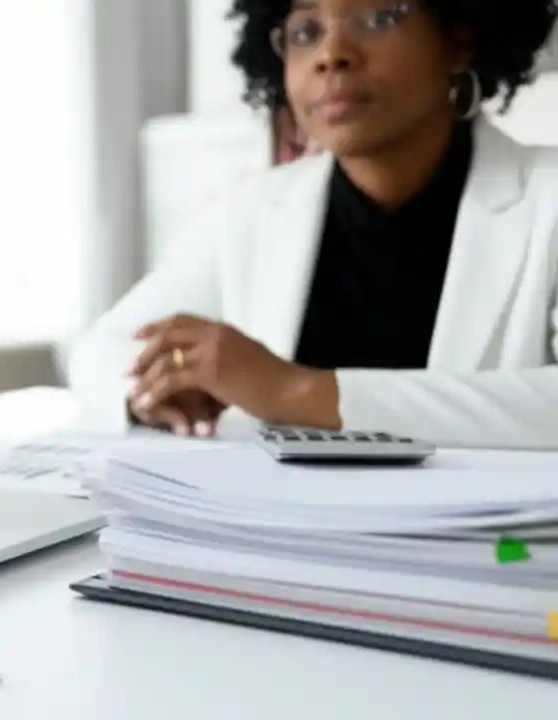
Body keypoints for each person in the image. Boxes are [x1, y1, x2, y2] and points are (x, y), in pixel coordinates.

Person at [68, 0, 558, 448]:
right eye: (305, 31)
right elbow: (101, 353)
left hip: (490, 545)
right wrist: (161, 389)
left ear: (459, 41)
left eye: (379, 18)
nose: (331, 54)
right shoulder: (254, 209)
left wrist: (297, 391)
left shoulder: (547, 197)